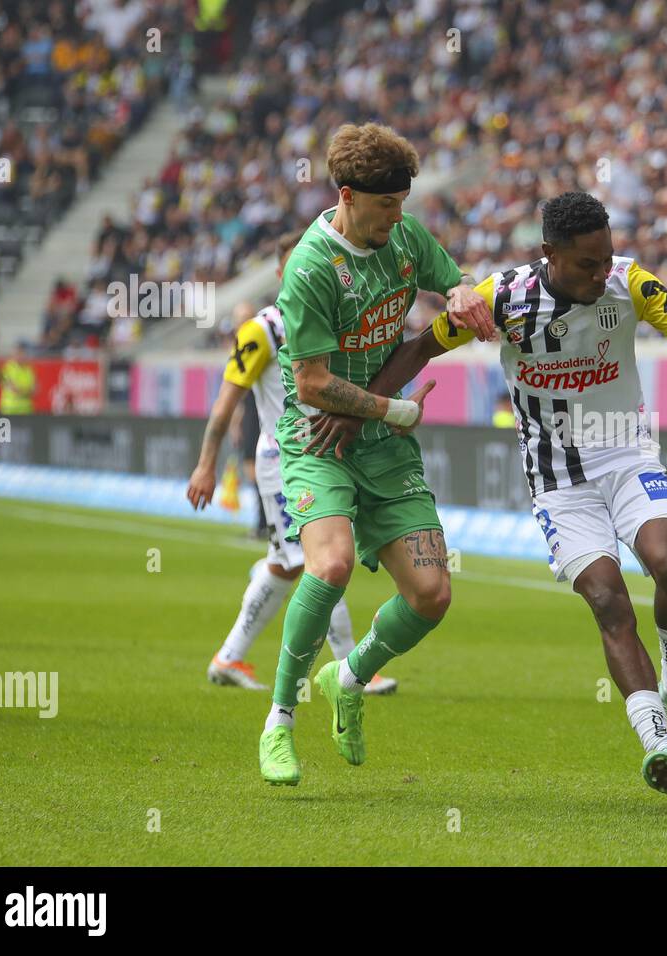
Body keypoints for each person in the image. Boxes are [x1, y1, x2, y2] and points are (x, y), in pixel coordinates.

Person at [304, 191, 667, 806]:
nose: (599, 271)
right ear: (549, 255)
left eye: (605, 257)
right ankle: (657, 745)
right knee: (609, 602)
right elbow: (421, 346)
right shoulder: (503, 301)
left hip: (625, 453)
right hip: (558, 480)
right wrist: (358, 406)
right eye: (586, 262)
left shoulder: (627, 282)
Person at [255, 122, 490, 786]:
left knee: (433, 595)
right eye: (387, 204)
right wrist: (392, 408)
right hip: (319, 442)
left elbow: (454, 280)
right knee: (327, 567)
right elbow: (310, 383)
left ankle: (348, 677)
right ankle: (278, 721)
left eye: (404, 203)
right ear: (347, 194)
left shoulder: (404, 236)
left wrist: (466, 290)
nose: (399, 216)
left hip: (385, 448)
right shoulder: (309, 269)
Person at [186, 231, 396, 695]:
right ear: (284, 272)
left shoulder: (329, 318)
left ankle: (228, 658)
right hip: (283, 461)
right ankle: (353, 668)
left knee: (283, 566)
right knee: (319, 562)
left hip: (323, 459)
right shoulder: (262, 329)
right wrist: (207, 465)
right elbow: (226, 404)